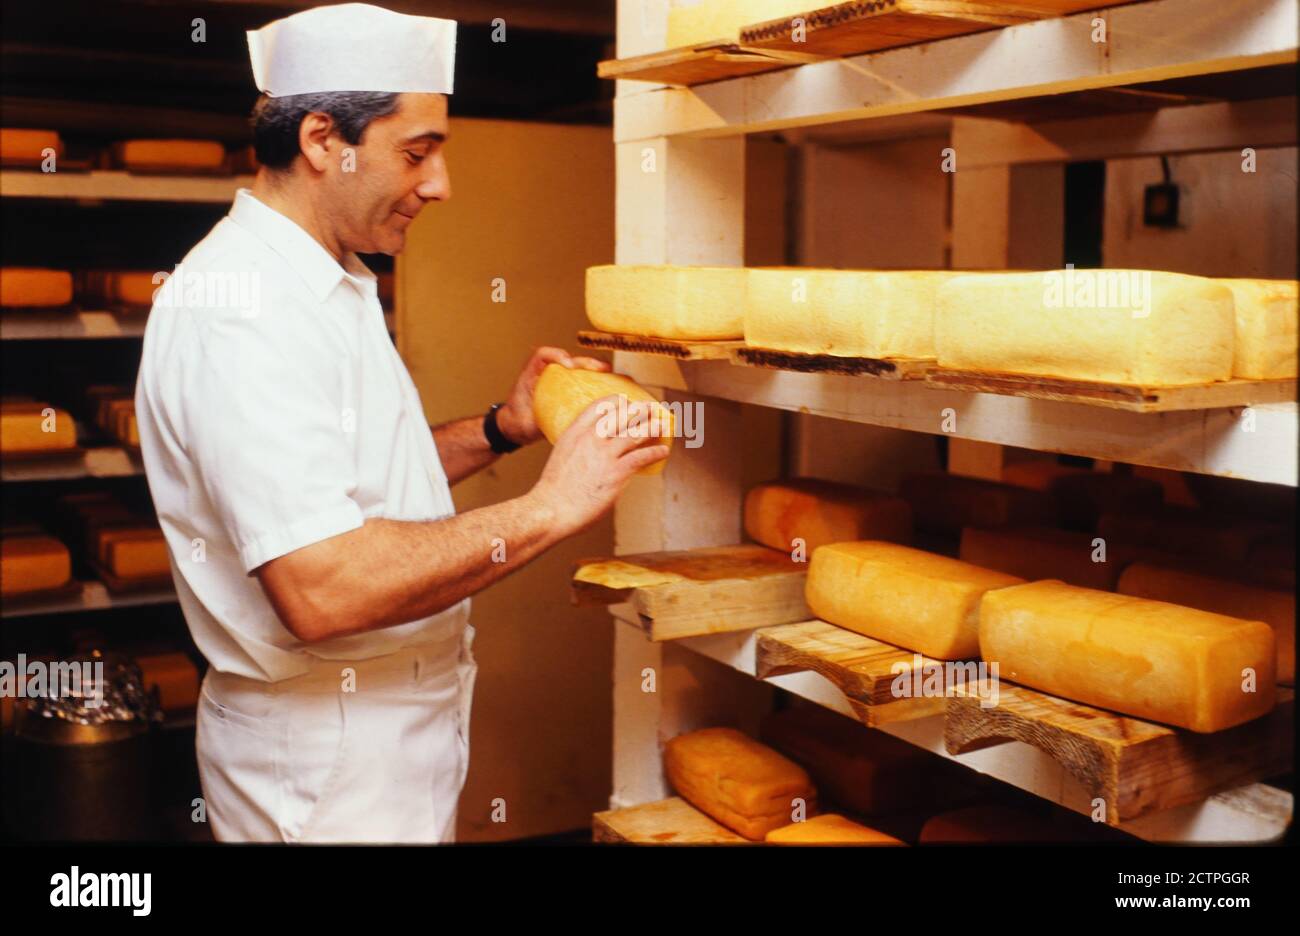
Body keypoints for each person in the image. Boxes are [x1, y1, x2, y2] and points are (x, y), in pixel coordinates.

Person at [134, 2, 668, 843]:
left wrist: (500, 428)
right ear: (321, 140)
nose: (440, 184)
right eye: (416, 153)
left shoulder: (323, 278)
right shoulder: (243, 311)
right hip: (324, 767)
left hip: (372, 740)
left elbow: (340, 486)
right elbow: (321, 583)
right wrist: (553, 506)